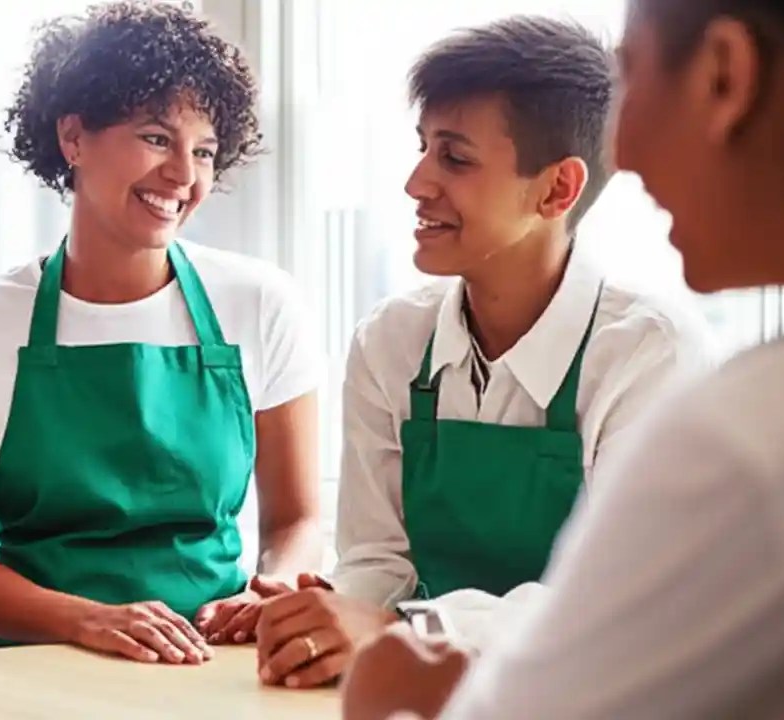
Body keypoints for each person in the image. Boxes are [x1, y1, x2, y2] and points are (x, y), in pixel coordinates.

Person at [341, 1, 784, 718]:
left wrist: (398, 674)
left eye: (633, 72)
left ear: (726, 77)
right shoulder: (391, 340)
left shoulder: (759, 438)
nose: (618, 153)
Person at [256, 15, 715, 690]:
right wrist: (323, 614)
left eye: (455, 157)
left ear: (557, 188)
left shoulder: (650, 357)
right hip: (421, 690)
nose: (416, 182)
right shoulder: (389, 343)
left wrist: (407, 631)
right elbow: (378, 558)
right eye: (422, 148)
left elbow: (622, 598)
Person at [0, 0, 322, 665]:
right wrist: (87, 621)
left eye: (205, 150)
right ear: (73, 137)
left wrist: (271, 590)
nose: (184, 175)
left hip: (203, 659)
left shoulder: (262, 305)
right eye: (157, 137)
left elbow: (297, 521)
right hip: (16, 661)